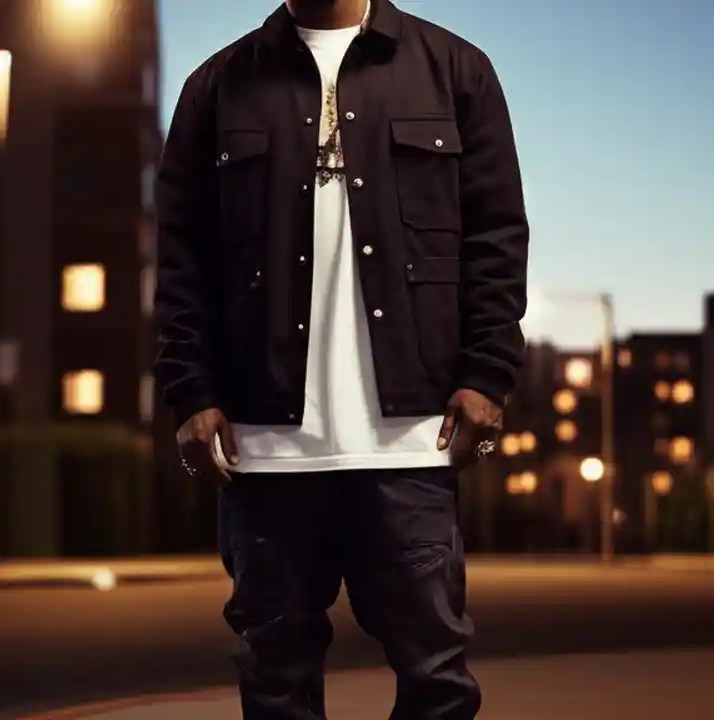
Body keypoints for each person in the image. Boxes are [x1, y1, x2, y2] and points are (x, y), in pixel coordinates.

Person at [154, 0, 527, 716]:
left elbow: (496, 239)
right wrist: (190, 392)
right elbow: (180, 263)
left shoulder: (456, 72)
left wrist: (486, 376)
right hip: (264, 453)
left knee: (438, 686)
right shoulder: (218, 86)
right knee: (276, 688)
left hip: (412, 447)